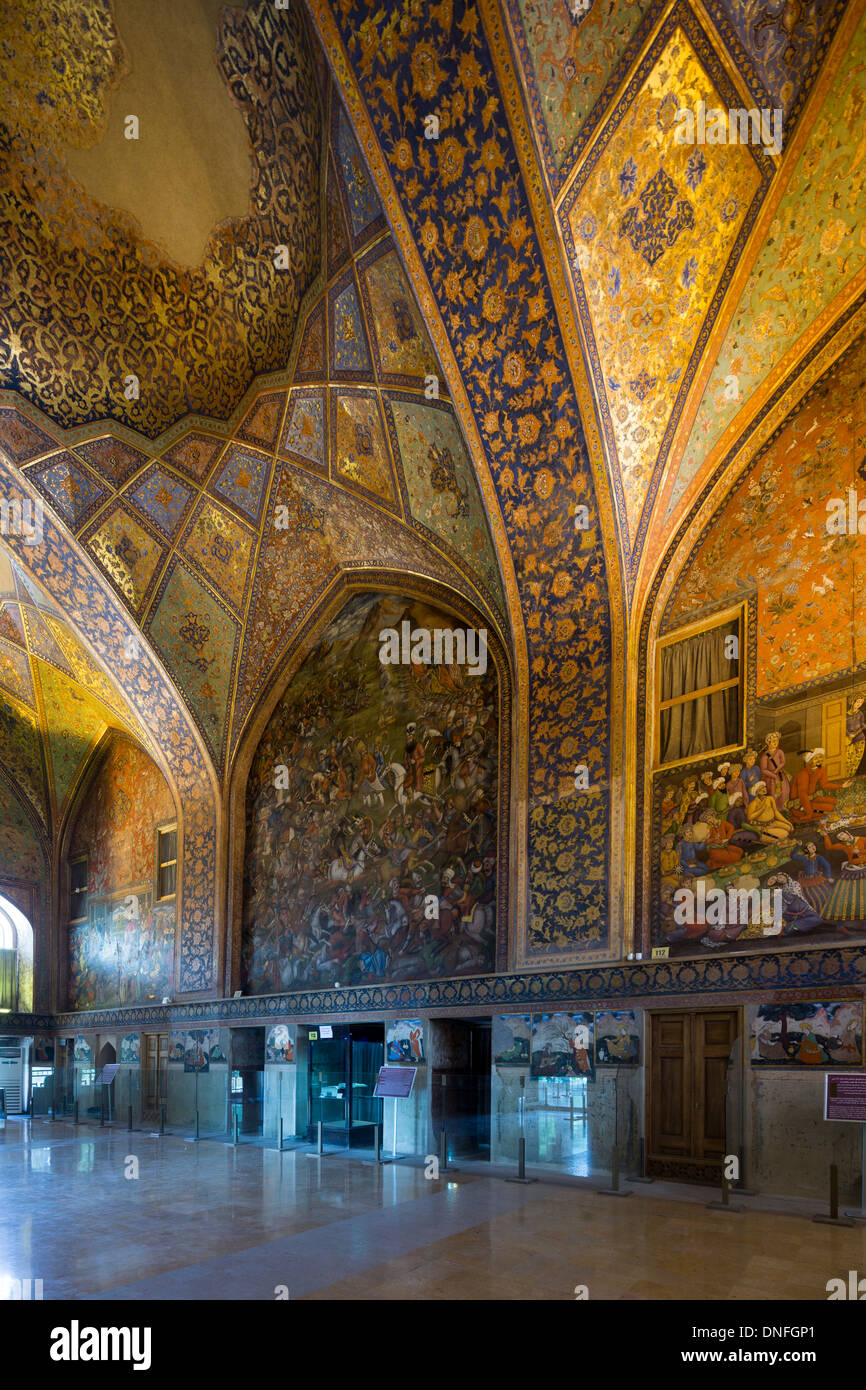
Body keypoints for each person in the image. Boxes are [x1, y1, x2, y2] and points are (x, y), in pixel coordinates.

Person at [789, 749, 848, 822]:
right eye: (815, 758)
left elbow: (824, 785)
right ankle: (808, 813)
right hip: (800, 803)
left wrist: (841, 786)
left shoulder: (821, 769)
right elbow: (802, 795)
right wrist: (809, 812)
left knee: (834, 801)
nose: (819, 760)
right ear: (810, 760)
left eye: (820, 757)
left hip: (812, 798)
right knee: (829, 808)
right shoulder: (803, 774)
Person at [760, 731, 790, 810]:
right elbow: (763, 769)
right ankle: (773, 809)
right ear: (769, 742)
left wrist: (777, 770)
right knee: (772, 792)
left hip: (780, 775)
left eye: (777, 741)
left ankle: (782, 807)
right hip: (769, 778)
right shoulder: (765, 756)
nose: (776, 743)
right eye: (773, 741)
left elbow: (783, 762)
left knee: (783, 790)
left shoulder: (779, 752)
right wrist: (773, 775)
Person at [846, 694, 866, 778]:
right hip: (849, 740)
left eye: (861, 702)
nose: (859, 704)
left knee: (857, 759)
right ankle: (847, 775)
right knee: (849, 758)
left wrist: (864, 726)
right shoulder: (846, 715)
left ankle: (852, 775)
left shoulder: (860, 713)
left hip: (860, 738)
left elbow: (862, 724)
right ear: (852, 702)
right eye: (858, 702)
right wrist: (849, 734)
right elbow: (843, 727)